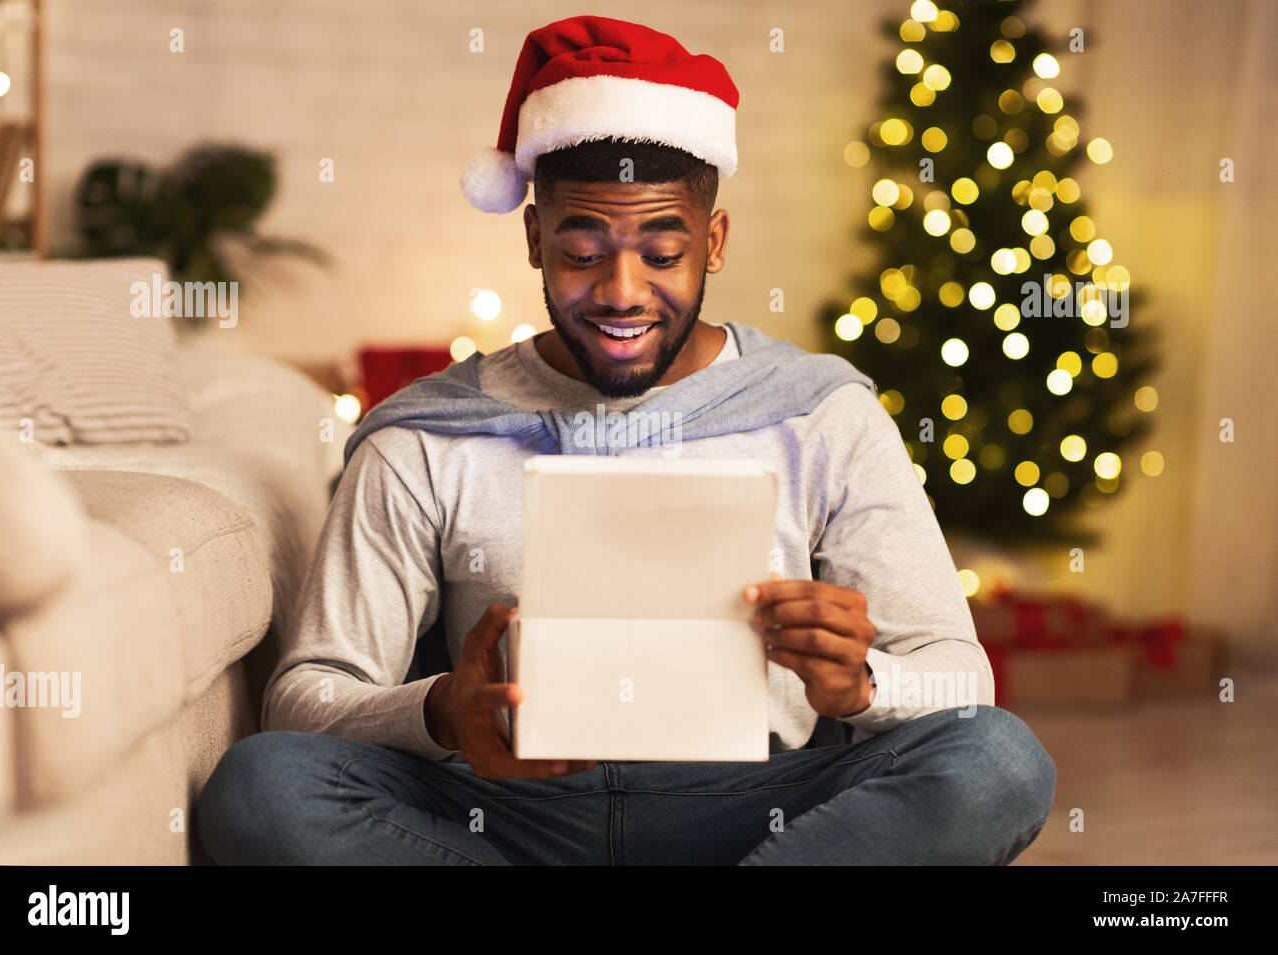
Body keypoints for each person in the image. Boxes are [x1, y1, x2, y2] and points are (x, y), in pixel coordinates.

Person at [197, 14, 1055, 865]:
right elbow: (308, 695)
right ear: (535, 237)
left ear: (712, 244)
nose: (621, 291)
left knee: (998, 759)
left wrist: (864, 684)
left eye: (660, 251)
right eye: (583, 252)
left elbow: (959, 674)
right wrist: (441, 712)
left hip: (758, 809)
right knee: (262, 785)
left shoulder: (820, 414)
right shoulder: (426, 435)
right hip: (505, 809)